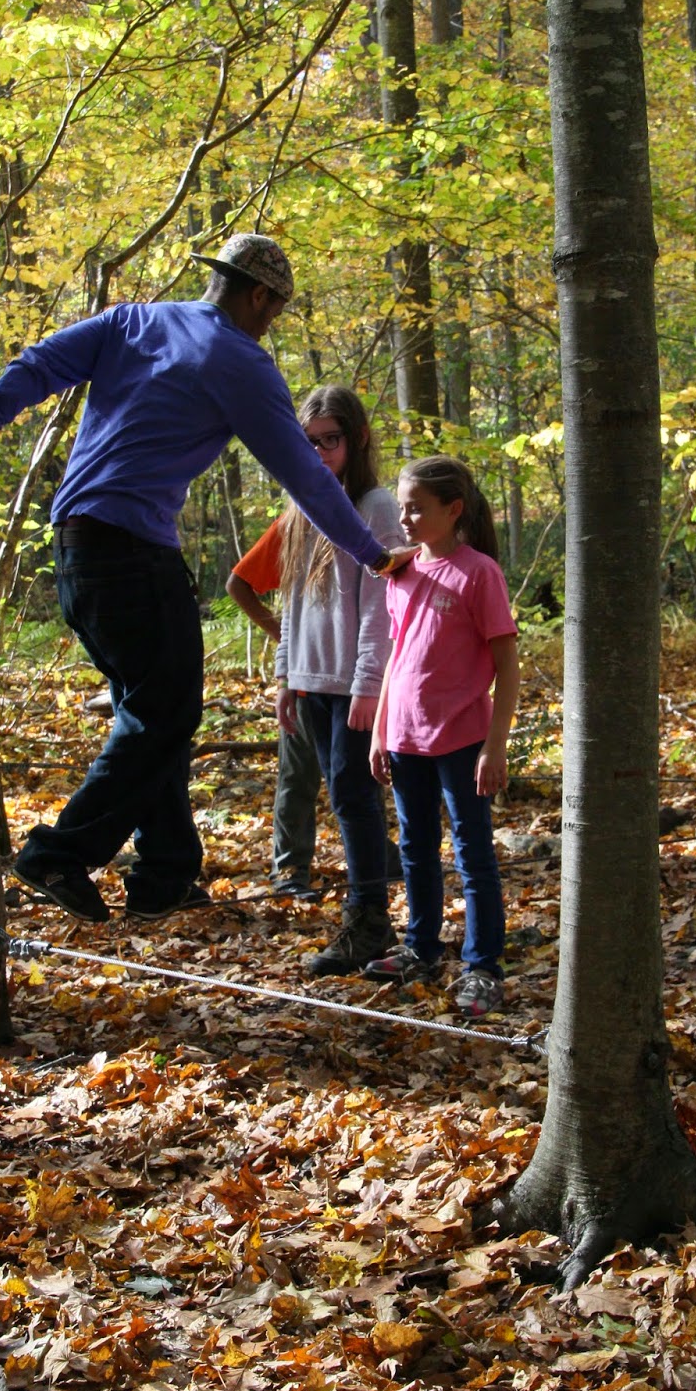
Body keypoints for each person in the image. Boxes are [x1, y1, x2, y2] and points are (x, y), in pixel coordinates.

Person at [0, 234, 404, 926]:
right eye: (274, 310)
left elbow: (39, 365)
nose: (272, 325)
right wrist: (373, 554)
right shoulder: (242, 363)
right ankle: (60, 852)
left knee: (151, 710)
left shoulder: (132, 320)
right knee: (165, 713)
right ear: (257, 295)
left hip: (74, 550)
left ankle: (165, 871)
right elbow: (306, 477)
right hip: (135, 554)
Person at [367, 457, 519, 1017]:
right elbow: (396, 658)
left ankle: (482, 967)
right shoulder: (401, 573)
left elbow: (507, 663)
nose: (405, 518)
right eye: (402, 507)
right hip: (405, 738)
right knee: (415, 848)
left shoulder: (479, 573)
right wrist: (381, 731)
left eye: (416, 508)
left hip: (461, 739)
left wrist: (495, 744)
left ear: (452, 510)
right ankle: (421, 949)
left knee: (473, 854)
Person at [274, 386, 405, 975]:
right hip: (312, 680)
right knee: (340, 796)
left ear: (356, 440)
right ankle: (367, 909)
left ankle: (370, 919)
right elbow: (294, 603)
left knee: (355, 798)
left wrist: (369, 682)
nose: (321, 453)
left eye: (331, 440)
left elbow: (381, 606)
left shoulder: (376, 506)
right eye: (310, 443)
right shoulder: (300, 504)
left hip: (356, 683)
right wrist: (286, 676)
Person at [227, 520, 321, 899]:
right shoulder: (297, 520)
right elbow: (239, 584)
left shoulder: (375, 511)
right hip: (302, 675)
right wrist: (285, 635)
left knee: (366, 774)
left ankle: (379, 860)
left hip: (364, 674)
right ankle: (290, 865)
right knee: (298, 774)